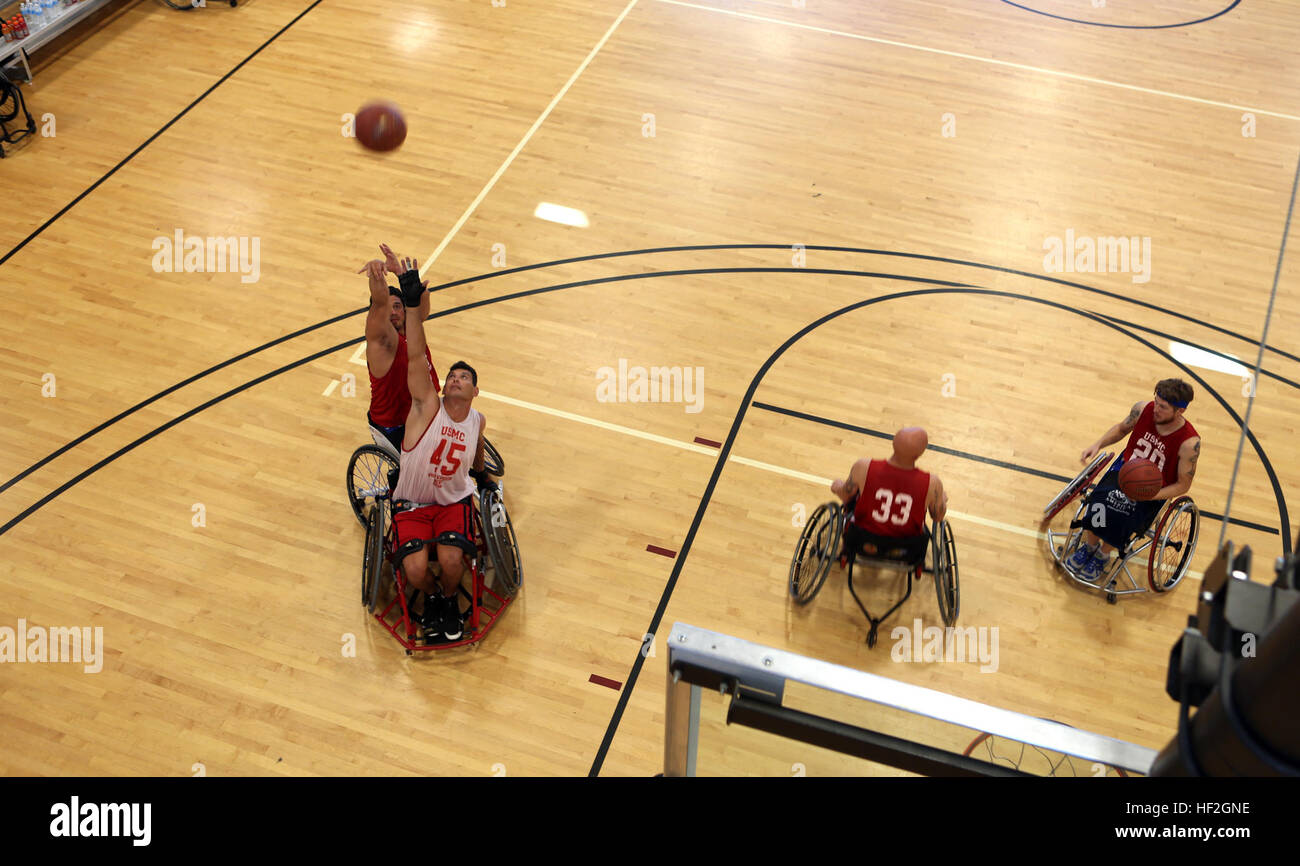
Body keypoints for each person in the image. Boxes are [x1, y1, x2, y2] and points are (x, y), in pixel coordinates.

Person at [387, 252, 496, 640]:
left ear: (474, 391)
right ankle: (432, 598)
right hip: (415, 505)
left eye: (463, 377)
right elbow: (416, 354)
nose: (454, 379)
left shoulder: (476, 420)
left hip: (452, 503)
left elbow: (477, 450)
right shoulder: (426, 407)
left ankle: (449, 599)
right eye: (451, 375)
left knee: (453, 560)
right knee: (415, 571)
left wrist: (482, 476)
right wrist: (411, 299)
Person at [1067, 378, 1201, 581]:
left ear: (1179, 411)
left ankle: (1103, 555)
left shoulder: (1189, 443)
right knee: (1099, 501)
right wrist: (1098, 444)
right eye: (1156, 401)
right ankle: (1090, 546)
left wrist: (1152, 495)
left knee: (1122, 515)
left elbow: (1183, 485)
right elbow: (1121, 429)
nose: (1156, 408)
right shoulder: (1142, 409)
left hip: (1155, 488)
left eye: (1163, 407)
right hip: (1126, 470)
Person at [357, 243, 439, 456]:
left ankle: (482, 475)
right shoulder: (383, 342)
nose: (393, 312)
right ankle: (398, 486)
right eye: (389, 308)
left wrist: (414, 286)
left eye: (398, 306)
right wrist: (377, 274)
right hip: (394, 424)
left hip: (421, 410)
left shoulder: (411, 327)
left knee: (471, 423)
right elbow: (380, 301)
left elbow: (421, 310)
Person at [831, 427, 948, 555]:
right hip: (908, 549)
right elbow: (938, 517)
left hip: (860, 540)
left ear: (893, 443)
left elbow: (846, 497)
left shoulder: (863, 467)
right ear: (921, 453)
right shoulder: (933, 483)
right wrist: (942, 499)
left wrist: (837, 487)